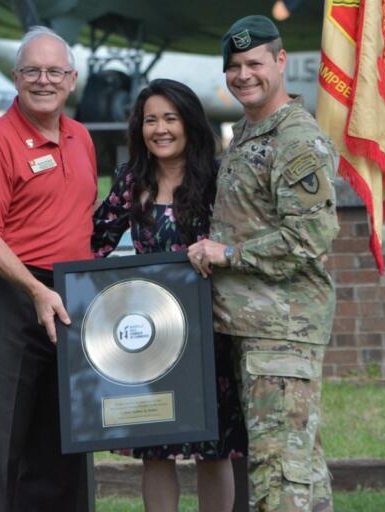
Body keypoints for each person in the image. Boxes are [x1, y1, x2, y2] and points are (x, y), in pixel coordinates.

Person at [187, 15, 341, 512]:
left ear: (280, 62)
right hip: (258, 329)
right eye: (234, 66)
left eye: (255, 63)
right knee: (299, 467)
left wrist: (228, 254)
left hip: (282, 331)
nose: (243, 75)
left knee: (278, 475)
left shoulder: (294, 139)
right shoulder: (251, 133)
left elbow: (310, 236)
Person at [92, 78, 247, 512]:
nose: (160, 129)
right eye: (150, 120)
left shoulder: (219, 178)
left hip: (211, 332)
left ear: (189, 123)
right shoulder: (131, 179)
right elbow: (95, 241)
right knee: (156, 448)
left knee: (214, 449)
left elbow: (241, 245)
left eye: (170, 118)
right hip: (151, 335)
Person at [0, 26, 95, 512]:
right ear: (16, 78)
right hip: (11, 296)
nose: (44, 80)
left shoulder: (81, 138)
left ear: (72, 80)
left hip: (70, 297)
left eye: (55, 71)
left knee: (68, 436)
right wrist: (36, 290)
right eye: (32, 71)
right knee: (2, 442)